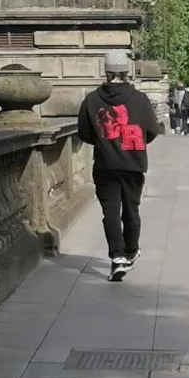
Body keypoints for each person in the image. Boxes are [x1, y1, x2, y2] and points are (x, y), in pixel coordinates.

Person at [78, 49, 161, 281]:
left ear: (106, 72)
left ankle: (117, 257)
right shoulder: (140, 100)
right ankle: (131, 251)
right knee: (131, 210)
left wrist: (104, 141)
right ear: (126, 72)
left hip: (105, 164)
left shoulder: (92, 100)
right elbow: (152, 130)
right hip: (133, 163)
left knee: (110, 212)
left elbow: (84, 132)